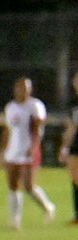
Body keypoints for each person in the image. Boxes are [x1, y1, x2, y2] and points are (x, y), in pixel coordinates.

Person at [0, 76, 55, 230]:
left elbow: (38, 128)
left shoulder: (35, 106)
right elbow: (7, 129)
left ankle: (48, 206)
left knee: (29, 186)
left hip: (29, 149)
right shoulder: (10, 107)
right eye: (21, 87)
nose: (24, 91)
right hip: (12, 150)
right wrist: (2, 151)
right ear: (15, 89)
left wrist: (34, 146)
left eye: (27, 88)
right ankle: (15, 220)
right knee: (13, 184)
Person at [59, 72, 78, 224]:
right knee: (74, 177)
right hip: (76, 142)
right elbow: (70, 127)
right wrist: (64, 147)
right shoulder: (73, 103)